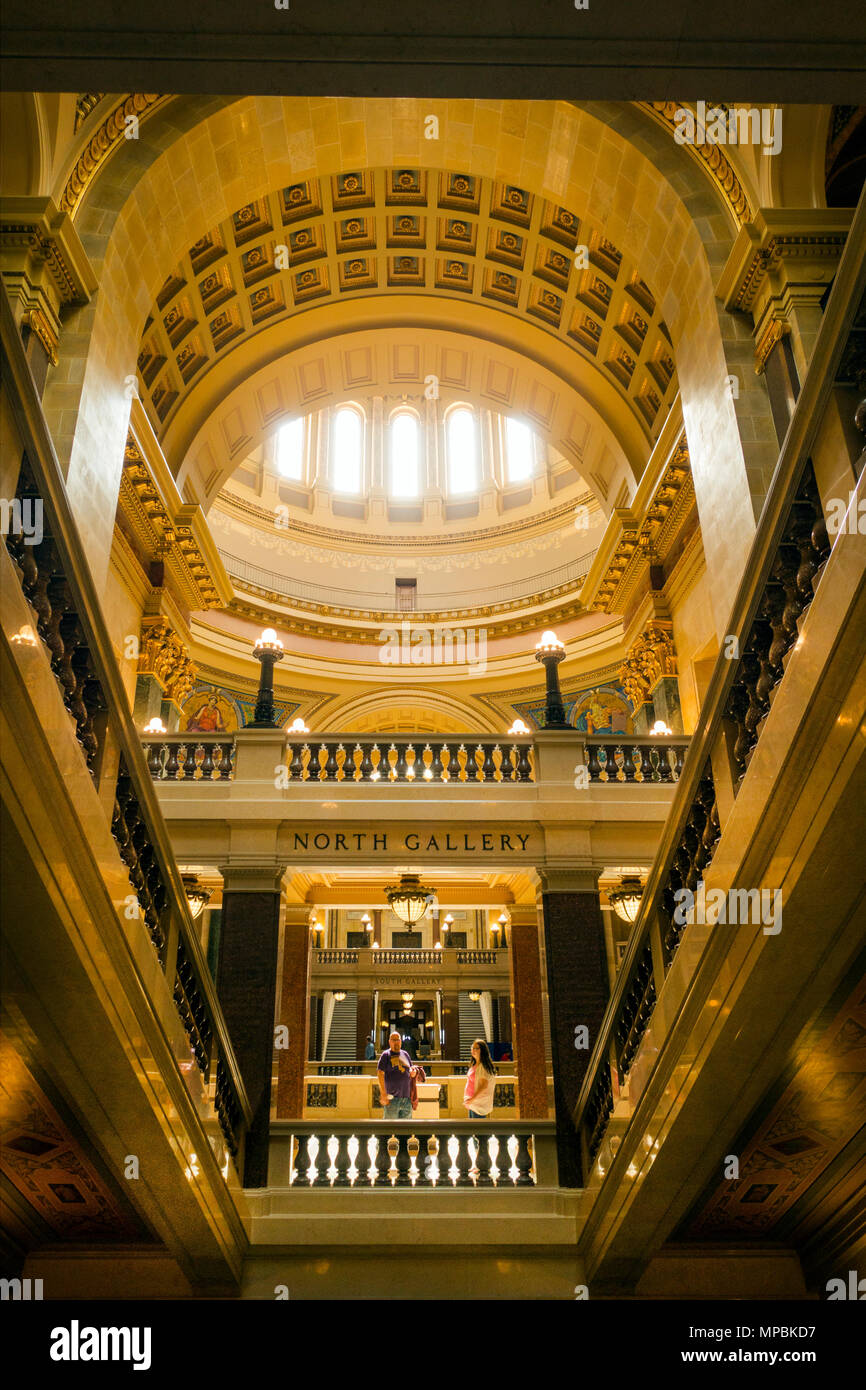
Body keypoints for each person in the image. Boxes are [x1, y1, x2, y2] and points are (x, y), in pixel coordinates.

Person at [377, 1031, 417, 1120]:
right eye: (393, 1040)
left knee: (405, 1130)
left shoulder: (405, 1054)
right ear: (389, 1042)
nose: (396, 1042)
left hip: (406, 1099)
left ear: (401, 1041)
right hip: (392, 1099)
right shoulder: (385, 1055)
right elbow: (380, 1074)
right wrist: (383, 1093)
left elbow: (411, 1070)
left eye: (398, 1040)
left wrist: (413, 1073)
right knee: (389, 1128)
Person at [463, 1038, 496, 1120]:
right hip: (472, 1104)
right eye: (472, 1048)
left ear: (482, 1050)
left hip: (478, 1105)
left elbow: (483, 1086)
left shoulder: (483, 1067)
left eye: (476, 1048)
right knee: (472, 1130)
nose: (473, 1050)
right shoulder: (475, 1065)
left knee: (478, 1131)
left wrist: (472, 1099)